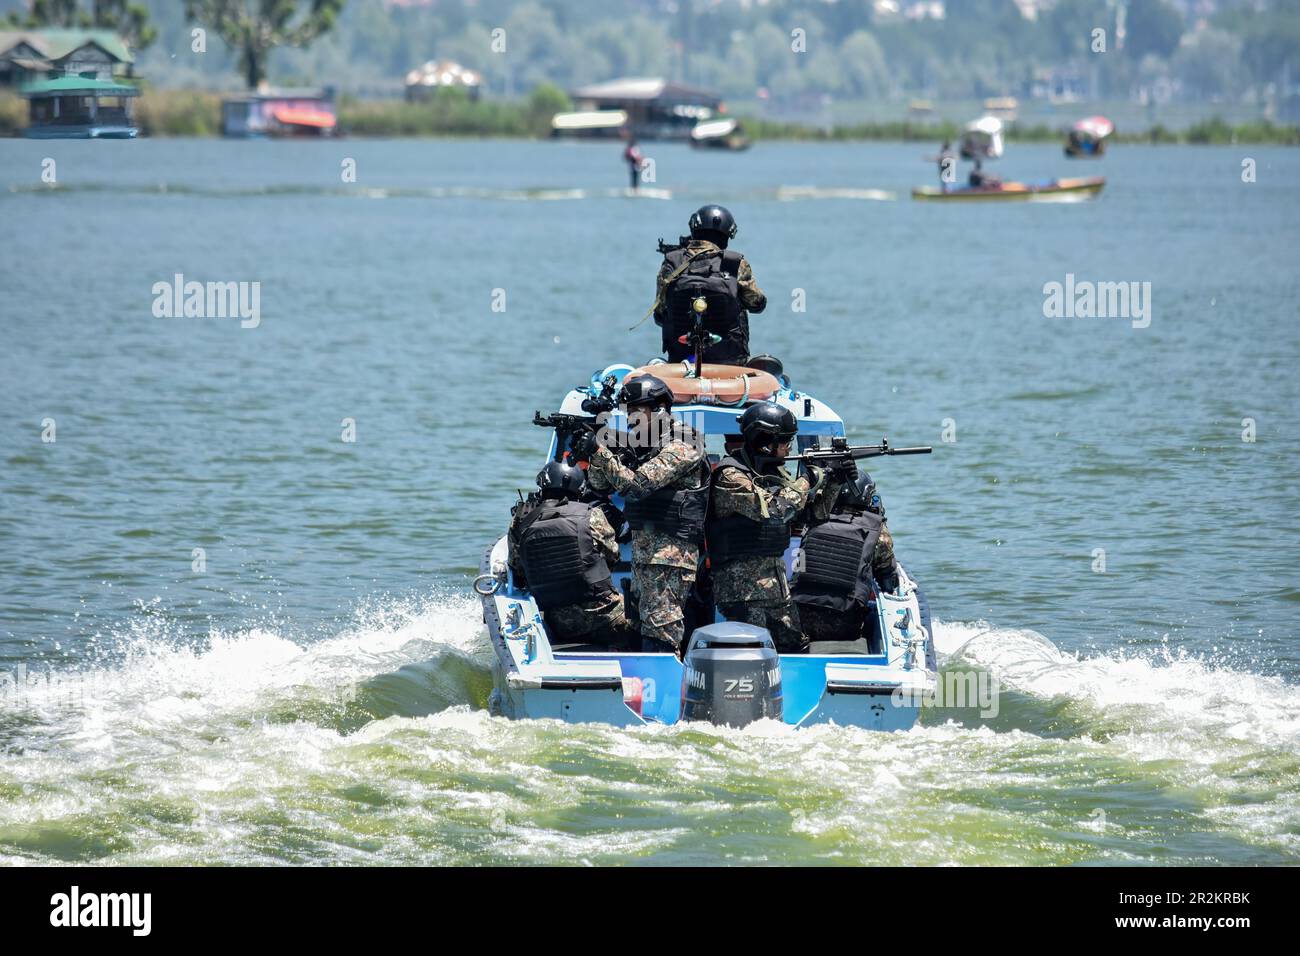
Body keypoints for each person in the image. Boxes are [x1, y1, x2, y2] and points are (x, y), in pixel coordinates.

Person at [576, 375, 708, 655]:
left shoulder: (686, 441)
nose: (631, 418)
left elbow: (636, 487)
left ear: (659, 409)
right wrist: (600, 451)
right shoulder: (641, 444)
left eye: (637, 410)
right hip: (645, 556)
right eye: (628, 412)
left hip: (670, 556)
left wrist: (600, 452)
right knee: (640, 628)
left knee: (661, 633)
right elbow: (600, 485)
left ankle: (665, 694)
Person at [707, 402, 844, 653]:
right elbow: (776, 510)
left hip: (776, 590)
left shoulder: (774, 474)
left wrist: (834, 480)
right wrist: (808, 479)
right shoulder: (731, 476)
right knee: (753, 653)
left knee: (796, 648)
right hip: (743, 593)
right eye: (784, 441)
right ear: (763, 441)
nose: (788, 447)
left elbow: (813, 515)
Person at [508, 460, 636, 649]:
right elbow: (612, 555)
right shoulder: (591, 515)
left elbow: (518, 569)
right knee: (651, 617)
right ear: (579, 488)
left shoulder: (521, 523)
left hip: (559, 622)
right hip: (606, 615)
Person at [791, 470, 900, 653]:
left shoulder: (812, 523)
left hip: (801, 619)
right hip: (845, 625)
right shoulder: (875, 529)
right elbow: (888, 580)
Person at [652, 205, 766, 366]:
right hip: (729, 360)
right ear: (727, 235)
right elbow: (757, 304)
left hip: (680, 358)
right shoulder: (734, 264)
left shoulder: (672, 263)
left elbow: (659, 314)